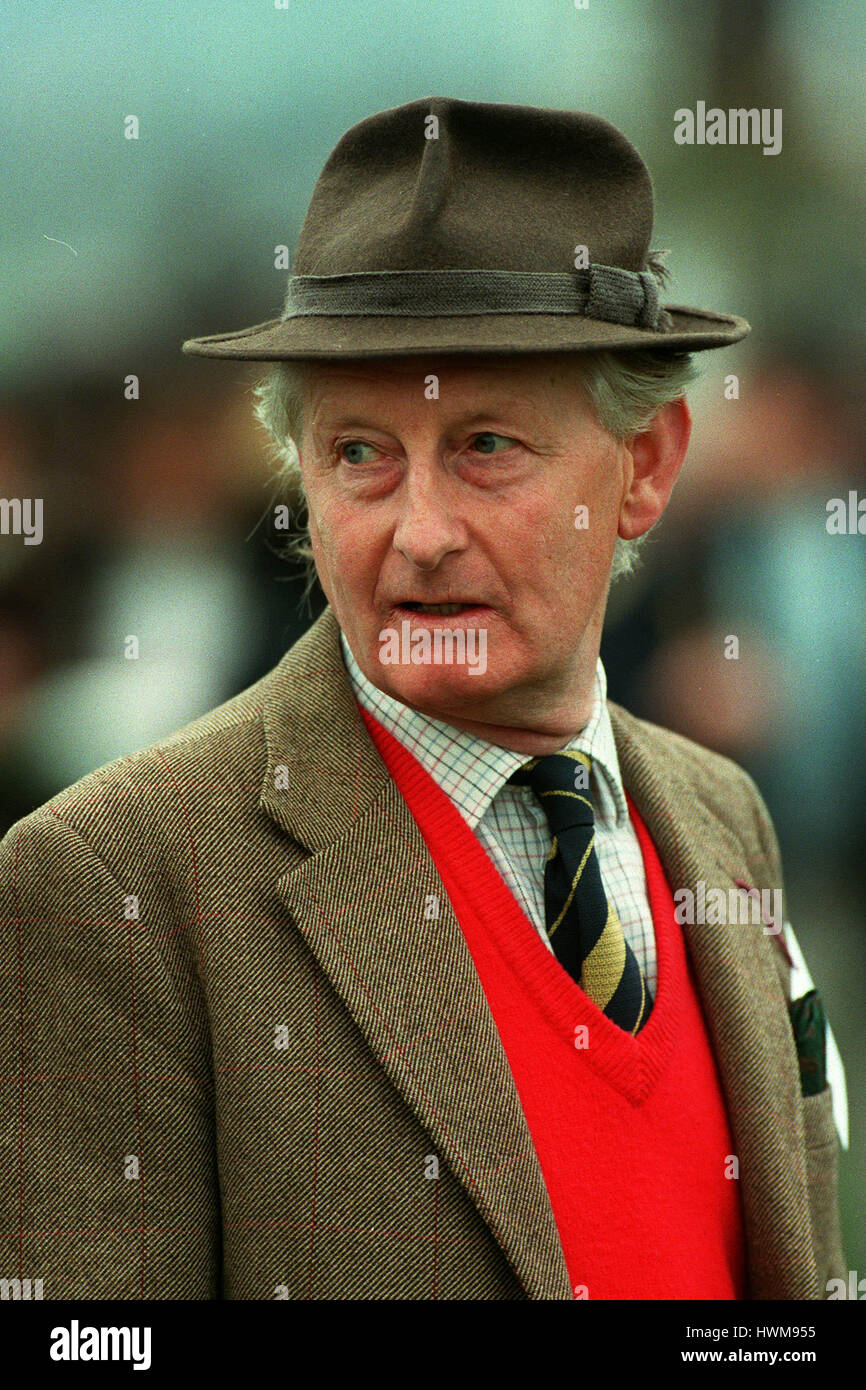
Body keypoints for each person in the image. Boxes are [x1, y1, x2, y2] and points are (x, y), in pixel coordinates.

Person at [0, 96, 847, 1301]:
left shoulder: (719, 817)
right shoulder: (114, 879)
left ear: (646, 465)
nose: (420, 532)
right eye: (359, 454)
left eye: (486, 446)